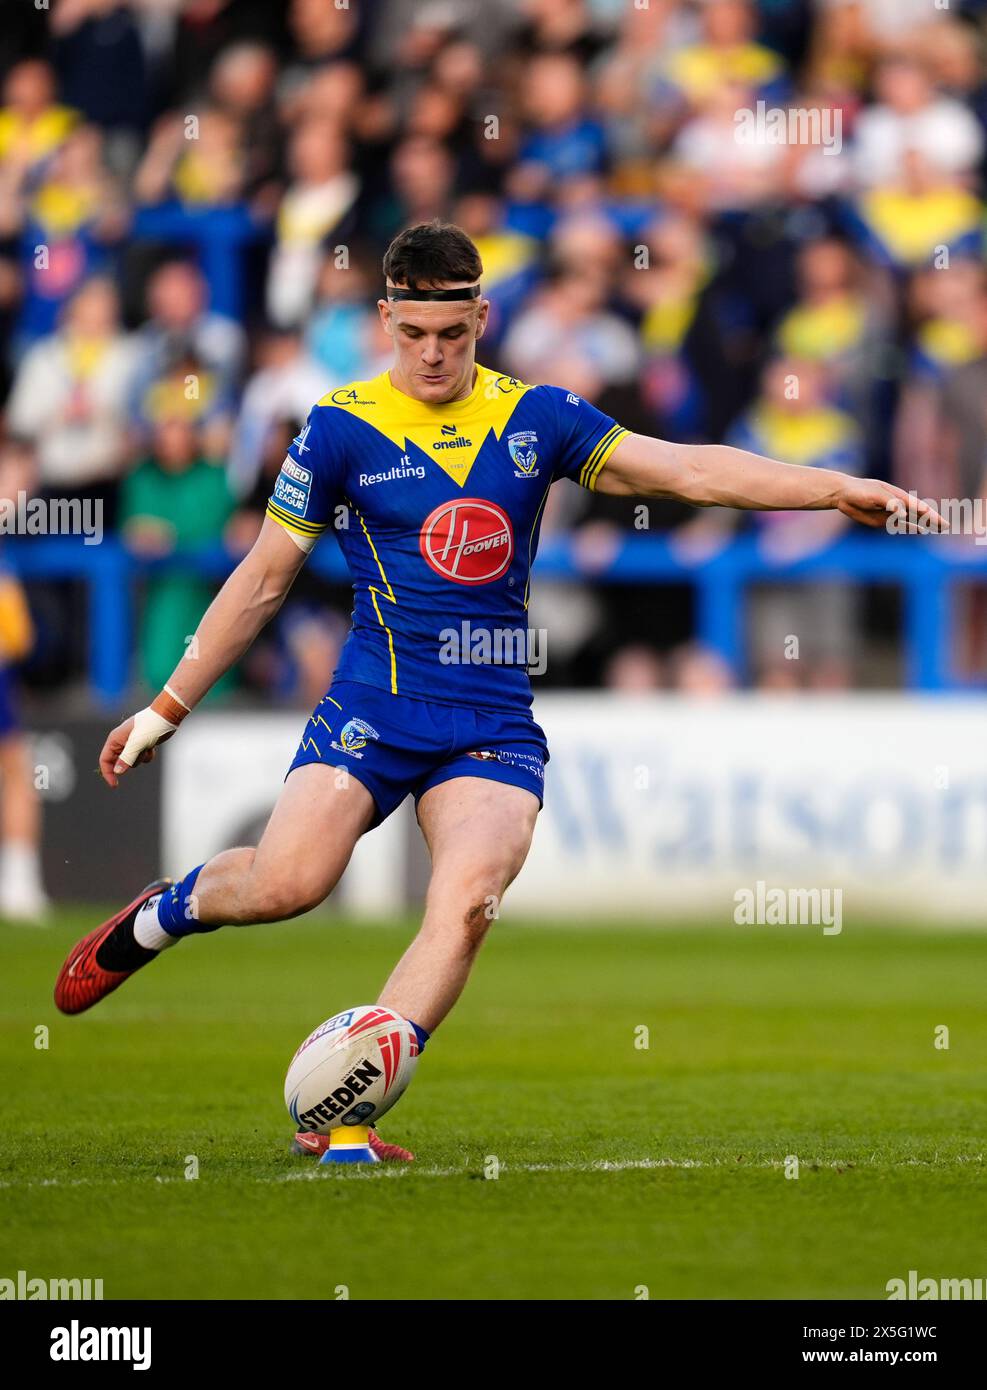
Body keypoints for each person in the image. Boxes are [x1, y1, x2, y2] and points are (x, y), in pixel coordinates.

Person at [53, 220, 941, 1162]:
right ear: (386, 317)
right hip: (372, 703)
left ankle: (346, 1114)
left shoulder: (538, 417)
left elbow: (684, 468)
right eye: (414, 335)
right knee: (286, 886)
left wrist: (833, 485)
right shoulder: (339, 425)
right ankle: (163, 911)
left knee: (469, 902)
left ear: (481, 316)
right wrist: (166, 707)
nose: (433, 355)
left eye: (453, 335)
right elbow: (264, 578)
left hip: (490, 721)